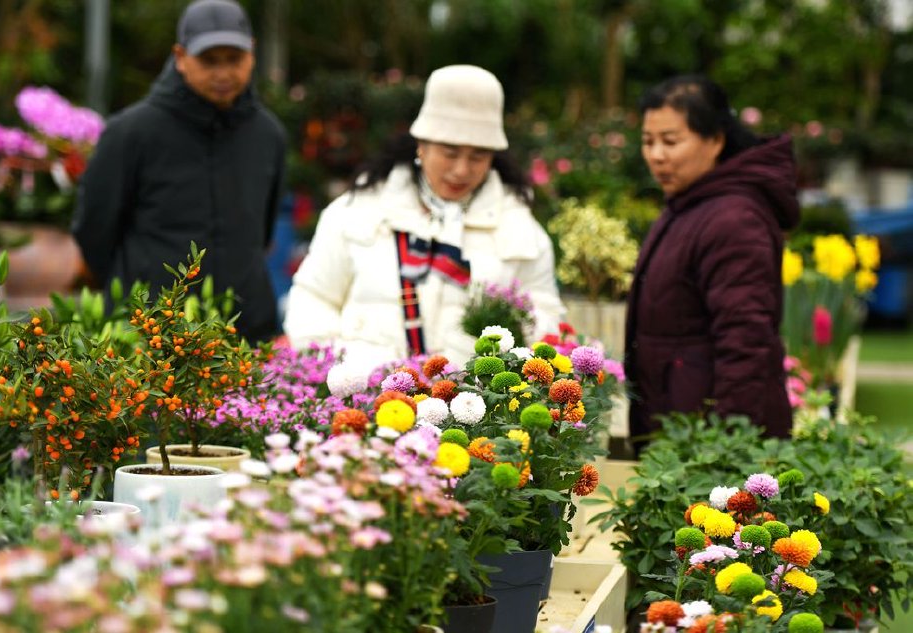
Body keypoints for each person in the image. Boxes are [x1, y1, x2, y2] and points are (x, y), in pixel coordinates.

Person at [284, 64, 564, 368]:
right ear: (422, 144)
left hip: (475, 397)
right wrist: (342, 376)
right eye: (450, 153)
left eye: (478, 156)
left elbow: (546, 318)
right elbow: (313, 301)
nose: (462, 170)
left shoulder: (520, 229)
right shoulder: (356, 212)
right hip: (365, 393)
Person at [73, 0, 286, 343]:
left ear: (252, 53)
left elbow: (262, 231)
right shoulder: (131, 133)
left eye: (234, 59)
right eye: (208, 60)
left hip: (245, 333)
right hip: (150, 336)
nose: (223, 73)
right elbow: (94, 230)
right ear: (180, 57)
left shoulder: (268, 135)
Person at [625, 74, 799, 453]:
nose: (656, 155)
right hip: (678, 432)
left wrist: (726, 450)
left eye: (671, 141)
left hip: (709, 446)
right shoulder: (689, 204)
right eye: (648, 141)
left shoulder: (734, 219)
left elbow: (745, 343)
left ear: (716, 140)